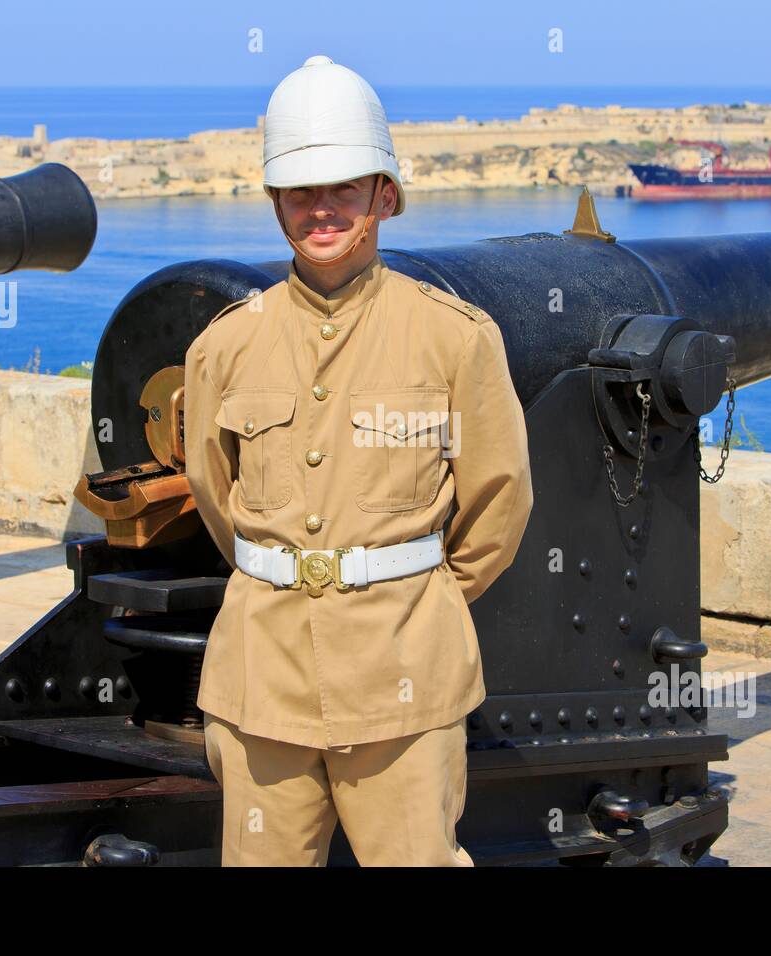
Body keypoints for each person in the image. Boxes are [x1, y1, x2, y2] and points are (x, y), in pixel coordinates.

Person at [182, 54, 533, 866]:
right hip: (261, 681)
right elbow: (215, 493)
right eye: (302, 191)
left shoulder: (455, 338)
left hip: (404, 677)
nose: (322, 209)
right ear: (275, 201)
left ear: (385, 194)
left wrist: (417, 592)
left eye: (345, 187)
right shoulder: (225, 348)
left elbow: (499, 499)